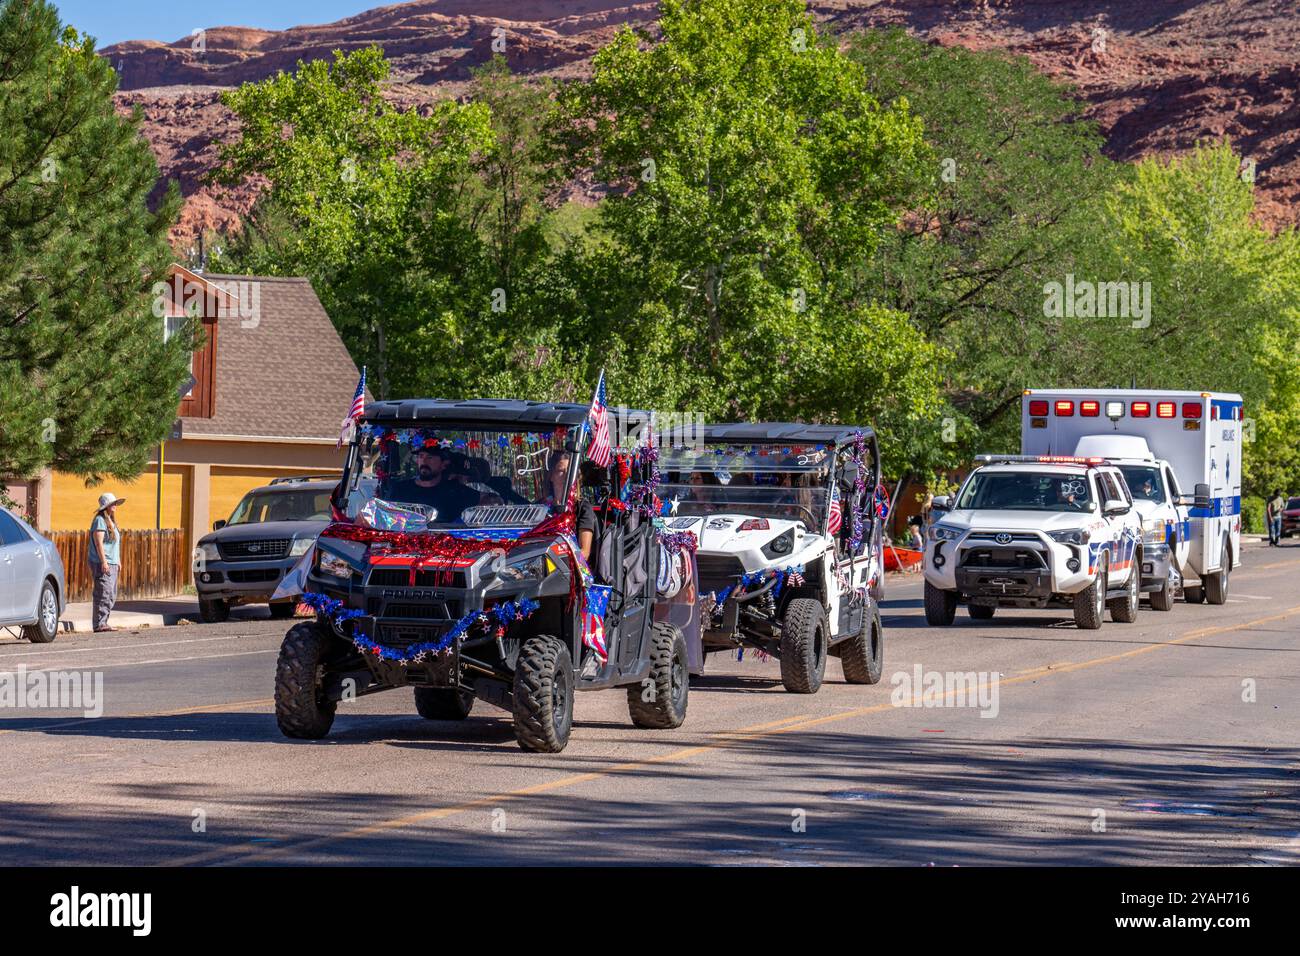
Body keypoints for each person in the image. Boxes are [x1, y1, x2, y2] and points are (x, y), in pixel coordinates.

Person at [386, 445, 479, 522]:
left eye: (430, 457)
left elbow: (488, 500)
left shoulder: (457, 492)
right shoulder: (398, 490)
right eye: (421, 456)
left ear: (444, 464)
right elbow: (386, 519)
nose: (424, 461)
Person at [541, 451, 597, 560]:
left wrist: (556, 559)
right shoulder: (541, 507)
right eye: (561, 471)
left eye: (570, 472)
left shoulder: (582, 507)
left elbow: (584, 553)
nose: (566, 475)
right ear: (551, 476)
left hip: (570, 570)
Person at [88, 492, 124, 633]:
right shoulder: (100, 520)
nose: (115, 505)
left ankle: (104, 621)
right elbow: (99, 544)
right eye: (112, 503)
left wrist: (118, 560)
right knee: (104, 592)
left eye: (115, 503)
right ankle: (99, 624)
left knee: (111, 594)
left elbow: (115, 543)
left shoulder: (111, 521)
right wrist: (104, 562)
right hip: (103, 562)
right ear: (106, 506)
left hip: (112, 562)